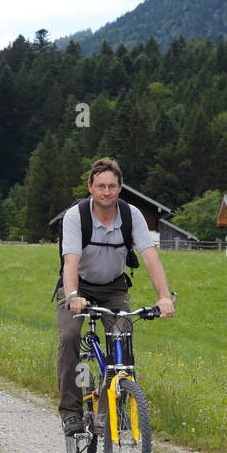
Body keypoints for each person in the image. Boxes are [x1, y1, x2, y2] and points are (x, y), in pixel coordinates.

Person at [56, 158, 175, 436]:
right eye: (100, 186)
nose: (106, 192)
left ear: (120, 188)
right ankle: (71, 412)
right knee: (70, 335)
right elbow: (70, 262)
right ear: (90, 187)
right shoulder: (76, 216)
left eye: (112, 186)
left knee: (122, 335)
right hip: (78, 286)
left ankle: (114, 409)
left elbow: (151, 258)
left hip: (114, 289)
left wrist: (164, 297)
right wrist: (73, 296)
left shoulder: (132, 216)